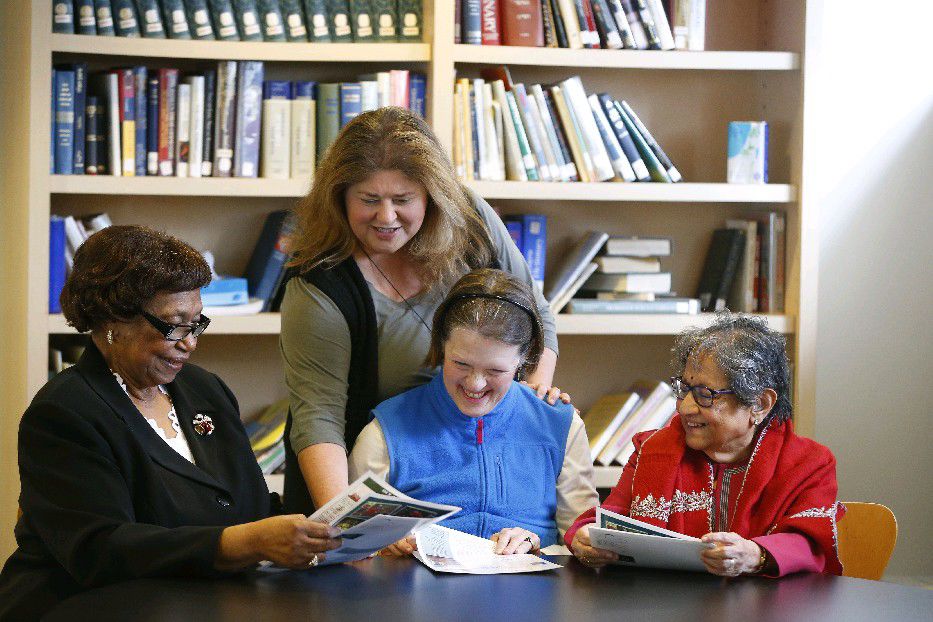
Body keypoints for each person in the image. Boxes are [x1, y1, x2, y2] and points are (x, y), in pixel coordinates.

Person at [0, 226, 342, 620]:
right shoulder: (64, 412)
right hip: (88, 608)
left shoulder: (205, 390)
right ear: (113, 319)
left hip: (203, 603)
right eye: (173, 325)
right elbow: (100, 550)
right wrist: (243, 543)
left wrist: (329, 531)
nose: (190, 343)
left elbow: (247, 504)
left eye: (197, 323)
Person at [280, 107, 566, 514]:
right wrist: (345, 522)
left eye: (403, 200)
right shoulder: (319, 285)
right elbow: (319, 419)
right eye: (368, 200)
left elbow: (535, 315)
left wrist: (531, 406)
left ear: (432, 196)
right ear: (339, 196)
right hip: (379, 474)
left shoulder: (469, 223)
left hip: (484, 461)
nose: (386, 217)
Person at [566, 313, 844, 577]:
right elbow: (612, 517)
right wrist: (585, 535)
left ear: (759, 404)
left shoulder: (809, 463)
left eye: (705, 394)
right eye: (684, 389)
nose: (685, 407)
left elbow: (810, 544)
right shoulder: (652, 448)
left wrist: (756, 554)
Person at [349, 269, 597, 555]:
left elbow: (583, 545)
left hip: (530, 591)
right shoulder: (386, 431)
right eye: (461, 364)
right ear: (441, 345)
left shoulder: (561, 425)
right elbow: (353, 544)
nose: (475, 384)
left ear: (525, 357)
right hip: (419, 593)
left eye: (495, 371)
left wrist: (538, 545)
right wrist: (382, 547)